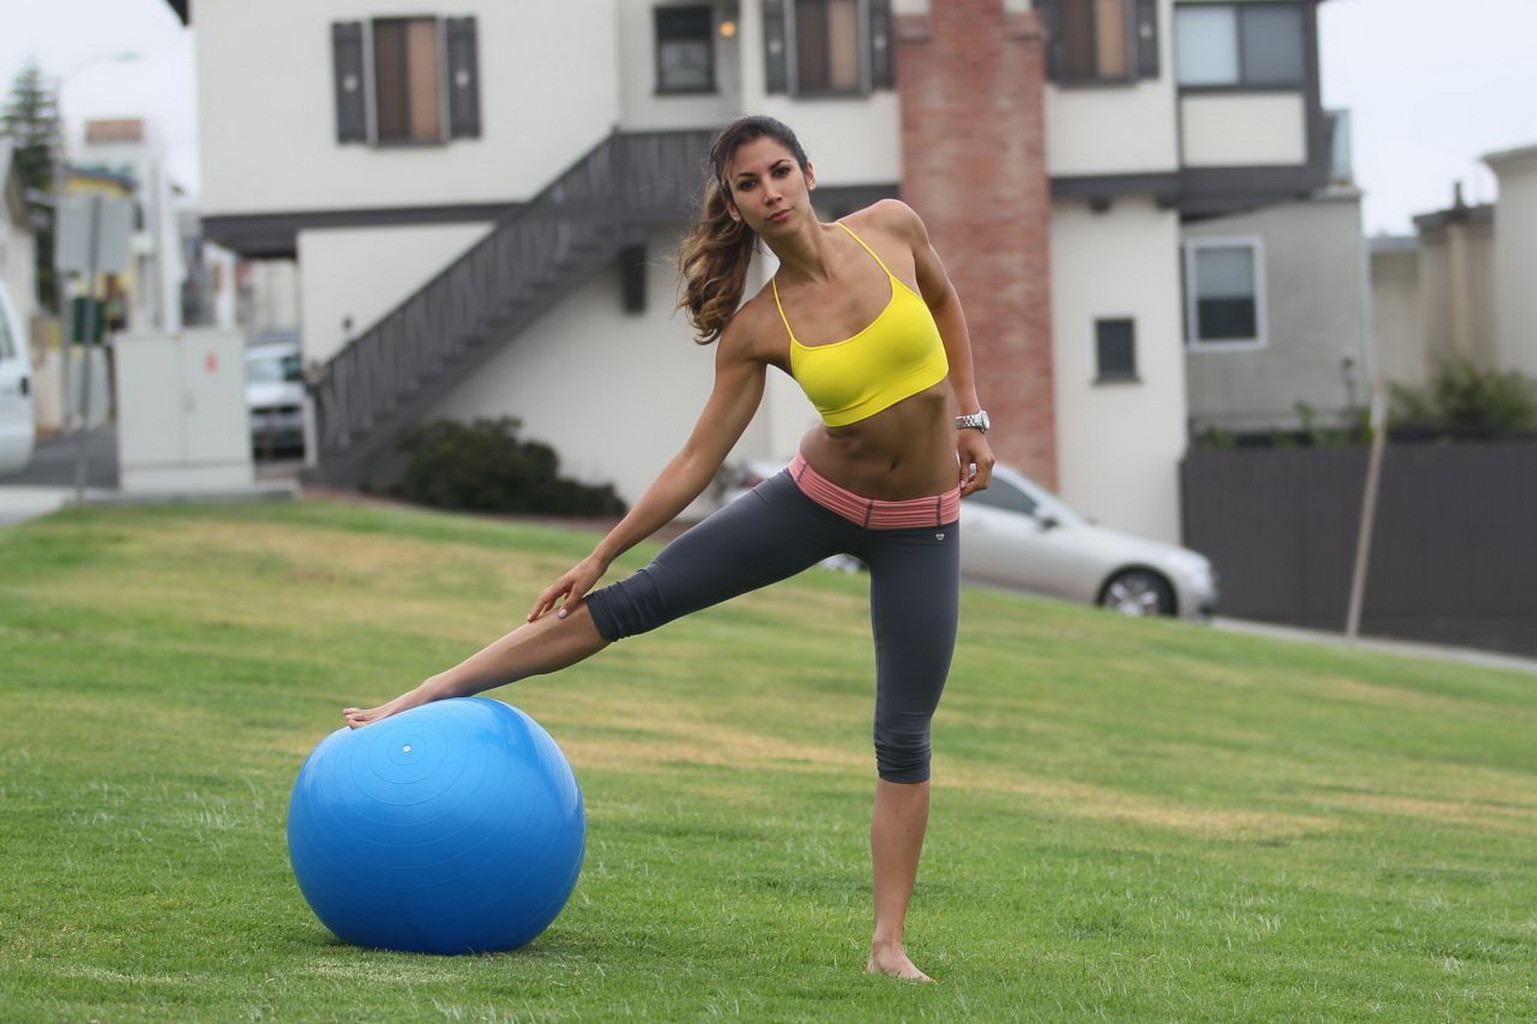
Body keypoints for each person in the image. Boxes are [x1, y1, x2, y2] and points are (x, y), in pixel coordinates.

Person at [344, 115, 995, 981]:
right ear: (734, 205)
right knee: (634, 602)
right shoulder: (759, 328)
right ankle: (424, 692)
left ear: (807, 172)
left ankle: (887, 948)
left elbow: (946, 302)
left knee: (903, 733)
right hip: (819, 499)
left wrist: (973, 415)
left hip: (923, 520)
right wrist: (601, 551)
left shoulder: (891, 229)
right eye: (747, 185)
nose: (769, 192)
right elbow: (697, 459)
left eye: (778, 172)